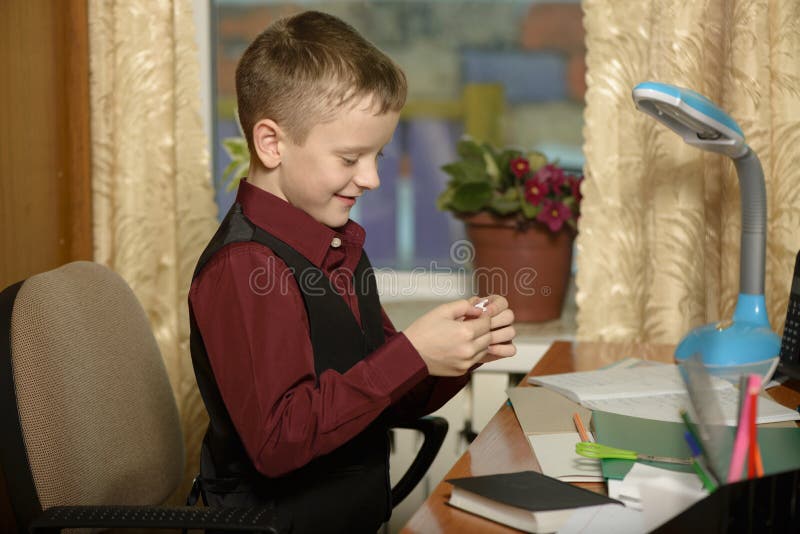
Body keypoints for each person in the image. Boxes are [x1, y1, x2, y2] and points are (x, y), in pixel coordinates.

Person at [188, 10, 516, 533]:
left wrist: (455, 352)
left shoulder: (336, 245)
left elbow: (381, 393)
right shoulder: (245, 267)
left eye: (378, 154)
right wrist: (411, 354)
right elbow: (277, 442)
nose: (372, 178)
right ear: (271, 143)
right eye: (349, 158)